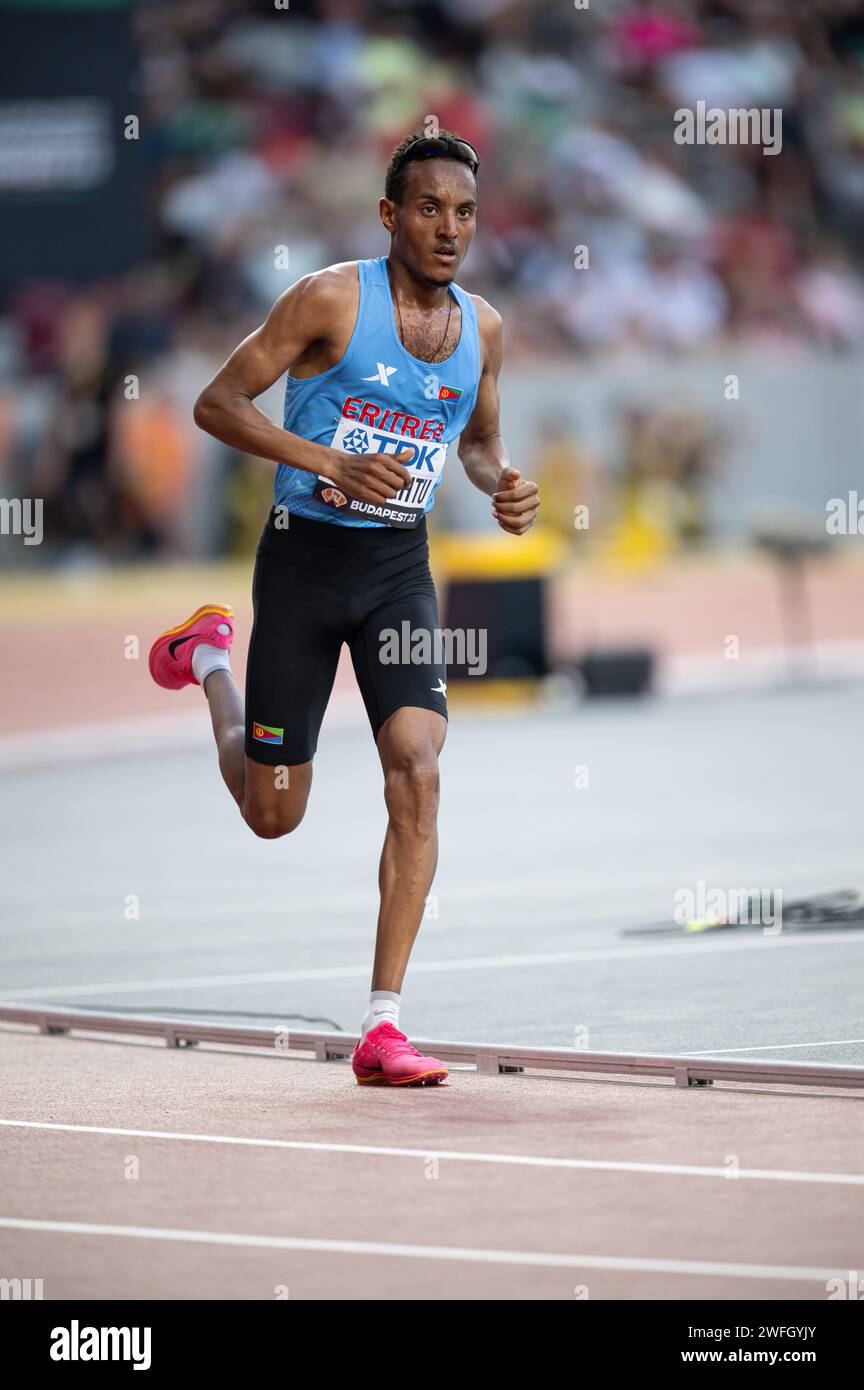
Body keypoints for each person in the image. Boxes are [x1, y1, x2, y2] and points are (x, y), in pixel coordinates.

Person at [148, 131, 540, 1085]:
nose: (449, 229)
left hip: (398, 573)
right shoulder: (330, 299)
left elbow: (476, 440)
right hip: (305, 567)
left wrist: (499, 481)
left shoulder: (484, 329)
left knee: (418, 769)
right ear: (390, 215)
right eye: (430, 209)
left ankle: (383, 1025)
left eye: (465, 213)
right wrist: (328, 459)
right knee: (273, 814)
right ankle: (208, 658)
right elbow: (216, 403)